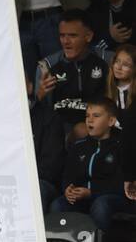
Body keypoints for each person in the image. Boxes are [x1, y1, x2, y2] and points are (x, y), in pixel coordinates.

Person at [51, 97, 131, 228]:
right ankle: (62, 240)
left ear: (111, 121)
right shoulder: (78, 146)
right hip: (81, 197)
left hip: (110, 197)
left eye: (96, 116)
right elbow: (67, 174)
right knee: (57, 205)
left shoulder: (121, 146)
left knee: (101, 205)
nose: (90, 120)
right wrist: (68, 189)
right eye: (87, 116)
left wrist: (92, 191)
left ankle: (99, 241)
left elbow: (121, 183)